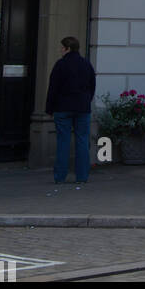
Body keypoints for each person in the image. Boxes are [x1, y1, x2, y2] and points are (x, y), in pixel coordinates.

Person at [45, 36, 96, 185]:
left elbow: (53, 88)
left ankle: (60, 176)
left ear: (67, 48)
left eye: (62, 48)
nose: (60, 50)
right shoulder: (86, 64)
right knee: (82, 141)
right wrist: (87, 100)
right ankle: (82, 176)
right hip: (82, 107)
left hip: (63, 107)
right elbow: (92, 85)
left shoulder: (60, 65)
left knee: (63, 142)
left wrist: (49, 108)